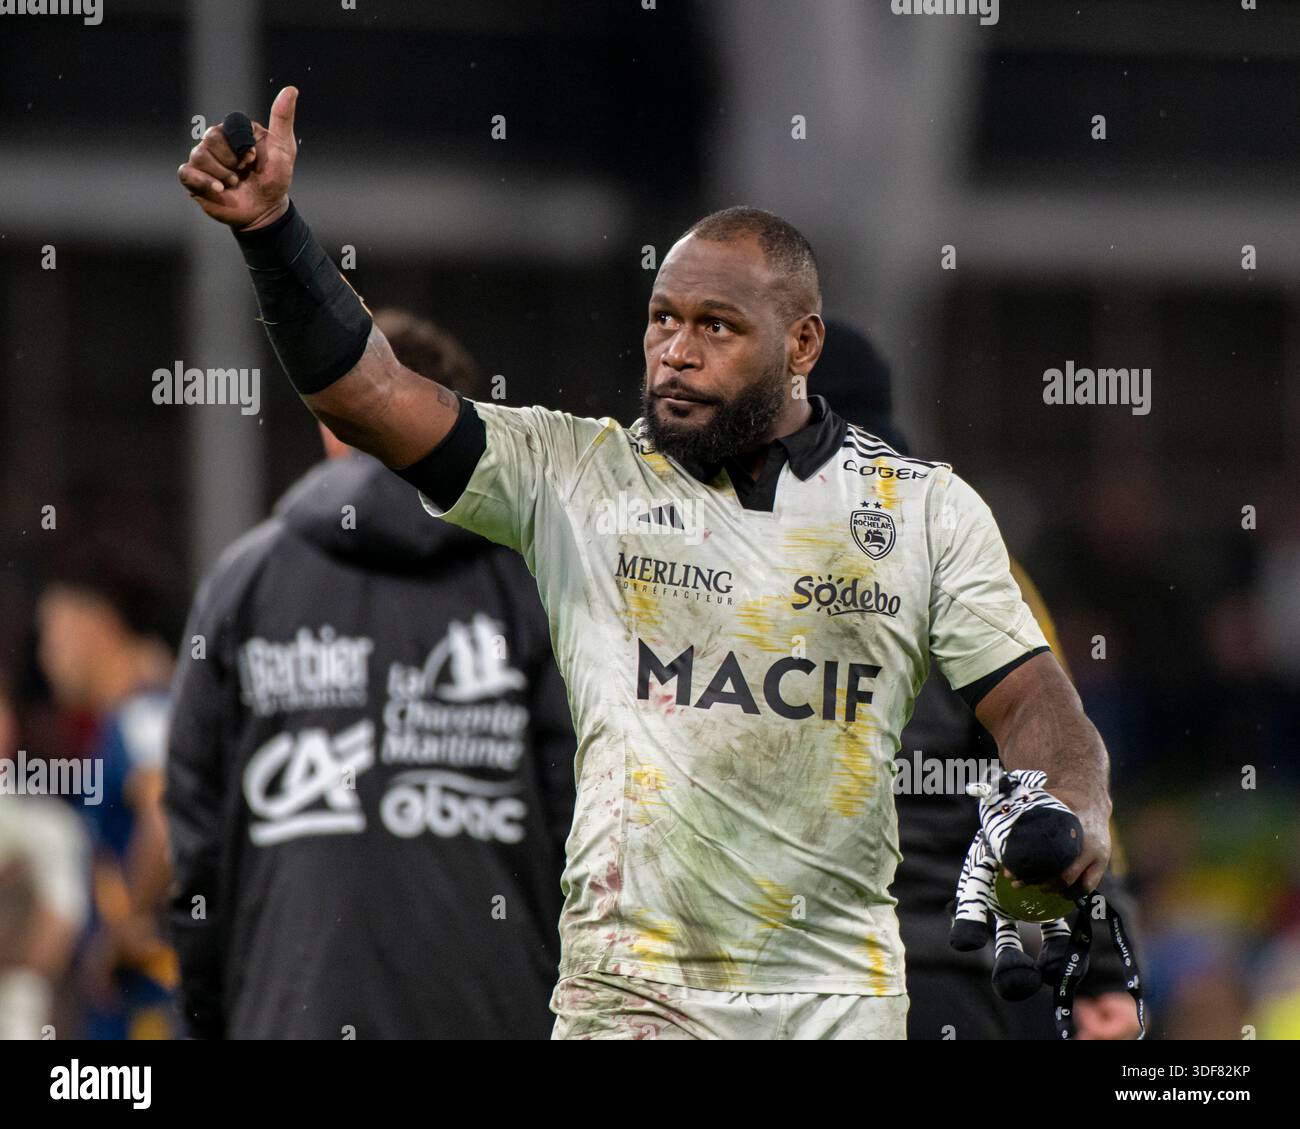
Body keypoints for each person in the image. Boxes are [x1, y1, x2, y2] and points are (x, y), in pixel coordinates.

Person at [176, 87, 1114, 1039]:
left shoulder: (925, 509)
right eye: (663, 319)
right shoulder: (573, 478)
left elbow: (1036, 702)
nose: (676, 352)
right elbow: (368, 391)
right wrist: (273, 235)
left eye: (717, 326)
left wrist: (1070, 800)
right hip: (629, 1006)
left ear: (802, 344)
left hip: (839, 1010)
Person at [165, 309, 575, 1039]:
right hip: (501, 1010)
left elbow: (196, 846)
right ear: (465, 429)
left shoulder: (244, 585)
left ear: (333, 422)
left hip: (290, 1011)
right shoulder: (534, 583)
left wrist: (205, 1018)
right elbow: (586, 822)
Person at [814, 320, 1145, 1041]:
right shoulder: (978, 565)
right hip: (940, 977)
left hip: (859, 971)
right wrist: (1104, 972)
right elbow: (1066, 793)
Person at [36, 543, 179, 1039]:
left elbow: (165, 821)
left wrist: (122, 929)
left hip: (153, 1014)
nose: (44, 653)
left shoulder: (143, 711)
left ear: (95, 622)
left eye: (51, 630)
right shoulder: (121, 719)